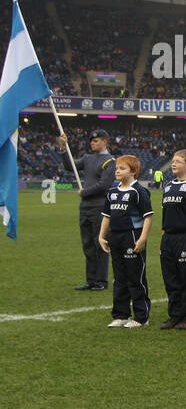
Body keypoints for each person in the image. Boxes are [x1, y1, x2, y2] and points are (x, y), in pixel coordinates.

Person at [98, 154, 152, 327]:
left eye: (122, 168)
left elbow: (148, 217)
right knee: (119, 277)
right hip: (115, 237)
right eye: (117, 168)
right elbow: (106, 216)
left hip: (132, 236)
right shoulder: (113, 192)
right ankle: (121, 315)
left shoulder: (139, 191)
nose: (118, 171)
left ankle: (141, 317)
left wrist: (143, 238)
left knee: (135, 277)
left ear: (133, 171)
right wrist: (101, 236)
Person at [59, 129, 115, 290]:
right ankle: (91, 280)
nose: (92, 143)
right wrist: (64, 148)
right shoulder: (87, 158)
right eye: (91, 140)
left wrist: (85, 192)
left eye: (96, 140)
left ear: (105, 141)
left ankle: (101, 281)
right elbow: (70, 166)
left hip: (100, 207)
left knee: (100, 243)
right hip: (85, 207)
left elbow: (104, 184)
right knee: (87, 244)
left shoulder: (110, 161)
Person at [157, 149, 186, 329]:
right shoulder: (168, 185)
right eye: (173, 161)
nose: (173, 164)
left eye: (178, 161)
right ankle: (174, 315)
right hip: (168, 238)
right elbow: (166, 214)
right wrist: (163, 236)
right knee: (171, 279)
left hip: (185, 236)